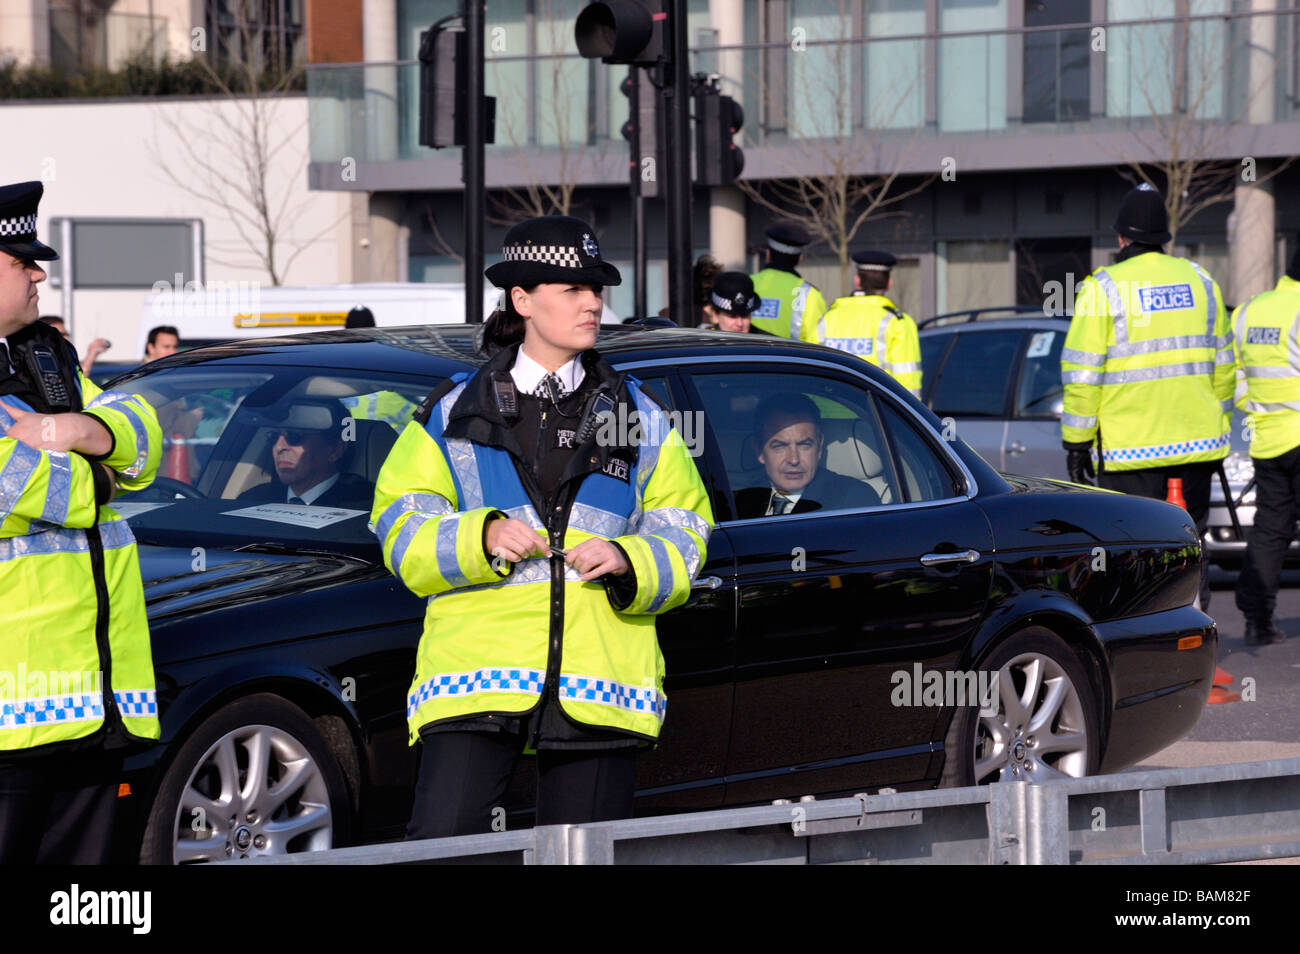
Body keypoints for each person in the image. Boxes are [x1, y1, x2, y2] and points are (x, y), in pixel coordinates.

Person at [371, 215, 713, 838]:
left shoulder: (640, 414)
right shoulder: (451, 412)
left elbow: (686, 527)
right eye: (571, 290)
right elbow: (399, 527)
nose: (591, 304)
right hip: (474, 681)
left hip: (603, 682)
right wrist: (478, 538)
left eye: (596, 290)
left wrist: (633, 559)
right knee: (442, 853)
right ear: (522, 300)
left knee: (583, 858)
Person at [0, 181, 163, 864]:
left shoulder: (45, 354)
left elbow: (144, 433)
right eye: (18, 261)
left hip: (91, 707)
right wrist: (96, 465)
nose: (39, 273)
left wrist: (70, 426)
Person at [1061, 183, 1233, 609]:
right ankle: (1197, 635)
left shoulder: (1102, 288)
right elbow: (1225, 366)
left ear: (1122, 237)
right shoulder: (1202, 281)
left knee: (1131, 552)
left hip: (1129, 452)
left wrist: (1077, 442)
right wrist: (1215, 424)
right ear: (1164, 237)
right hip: (1197, 448)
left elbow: (1082, 374)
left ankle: (1140, 647)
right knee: (1190, 543)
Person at [1232, 244, 1300, 645]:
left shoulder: (1249, 310)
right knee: (1272, 528)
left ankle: (1258, 618)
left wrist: (1256, 407)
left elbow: (1232, 372)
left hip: (1267, 436)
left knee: (1271, 528)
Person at [735, 393, 879, 518]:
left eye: (804, 445)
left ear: (819, 447)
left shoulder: (853, 500)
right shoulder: (740, 503)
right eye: (780, 446)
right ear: (759, 451)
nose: (794, 460)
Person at [817, 250, 922, 398]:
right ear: (889, 284)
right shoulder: (898, 322)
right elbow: (908, 384)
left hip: (825, 411)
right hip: (873, 416)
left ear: (857, 281)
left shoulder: (826, 319)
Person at [236, 401, 373, 508]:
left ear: (335, 450)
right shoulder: (252, 501)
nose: (279, 447)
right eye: (273, 437)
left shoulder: (367, 508)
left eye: (294, 437)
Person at [749, 223, 827, 342]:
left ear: (768, 254)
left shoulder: (747, 284)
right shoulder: (809, 294)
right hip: (788, 360)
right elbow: (818, 344)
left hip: (743, 359)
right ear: (800, 258)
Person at [698, 271, 771, 334]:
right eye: (732, 316)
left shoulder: (769, 345)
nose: (740, 323)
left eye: (744, 315)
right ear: (715, 316)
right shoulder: (701, 346)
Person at [41, 315, 110, 377]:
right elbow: (75, 383)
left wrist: (92, 354)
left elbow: (79, 382)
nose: (66, 338)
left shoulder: (67, 358)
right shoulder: (43, 362)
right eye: (60, 334)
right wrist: (90, 356)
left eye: (66, 334)